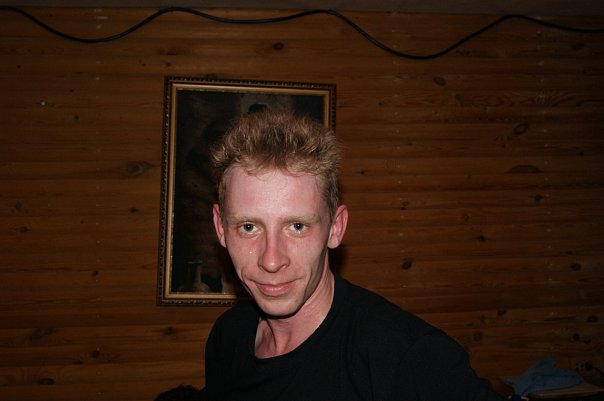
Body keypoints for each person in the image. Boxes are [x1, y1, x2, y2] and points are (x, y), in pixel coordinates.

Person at [203, 109, 505, 401]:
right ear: (220, 228)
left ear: (335, 228)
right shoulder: (228, 338)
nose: (271, 260)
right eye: (248, 227)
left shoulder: (405, 355)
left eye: (297, 226)